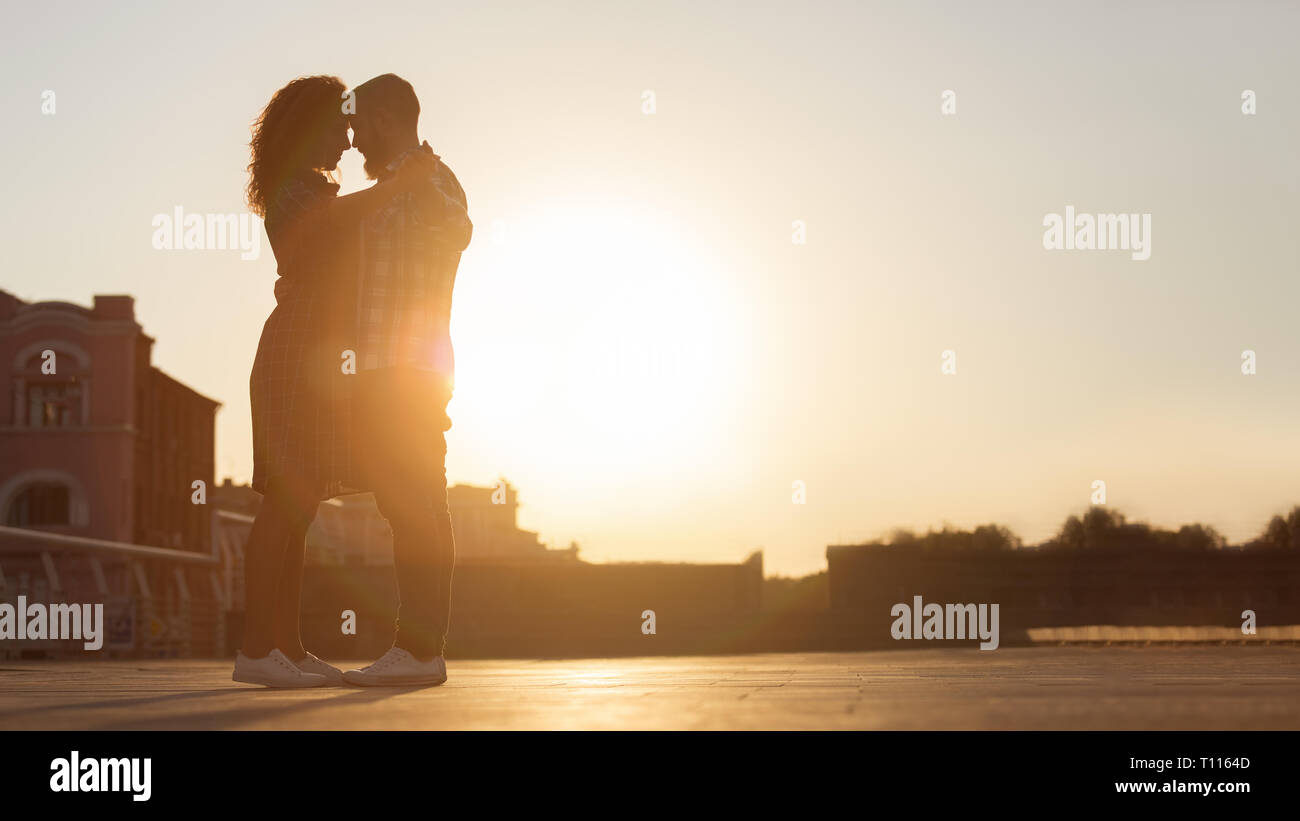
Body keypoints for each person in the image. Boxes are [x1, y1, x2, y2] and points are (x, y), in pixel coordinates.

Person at [233, 75, 435, 688]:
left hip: (319, 355)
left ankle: (286, 648)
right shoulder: (294, 188)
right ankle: (256, 649)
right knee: (285, 503)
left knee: (298, 505)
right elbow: (332, 227)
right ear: (308, 127)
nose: (349, 143)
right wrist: (399, 183)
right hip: (297, 349)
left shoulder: (313, 186)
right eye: (339, 128)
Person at [339, 73, 472, 686]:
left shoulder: (430, 180)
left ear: (388, 119)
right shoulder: (395, 186)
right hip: (386, 372)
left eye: (359, 122)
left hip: (410, 372)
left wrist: (415, 181)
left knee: (418, 505)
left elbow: (457, 230)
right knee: (406, 506)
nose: (353, 136)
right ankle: (418, 650)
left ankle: (419, 651)